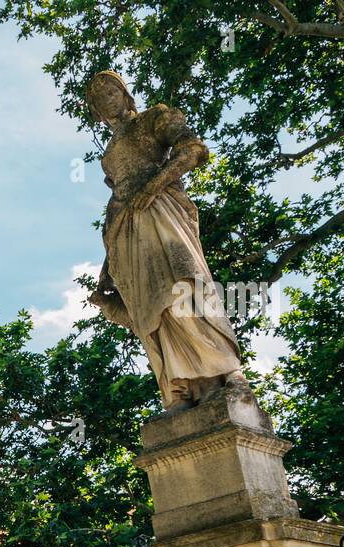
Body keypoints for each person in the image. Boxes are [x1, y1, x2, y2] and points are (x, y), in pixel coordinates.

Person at [85, 70, 246, 411]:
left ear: (125, 93)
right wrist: (107, 266)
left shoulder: (153, 118)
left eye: (111, 90)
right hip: (125, 231)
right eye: (98, 98)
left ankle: (227, 372)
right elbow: (117, 200)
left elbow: (192, 150)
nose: (106, 98)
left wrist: (154, 185)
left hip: (162, 211)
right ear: (96, 112)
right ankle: (177, 385)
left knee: (185, 289)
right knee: (148, 309)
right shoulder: (109, 153)